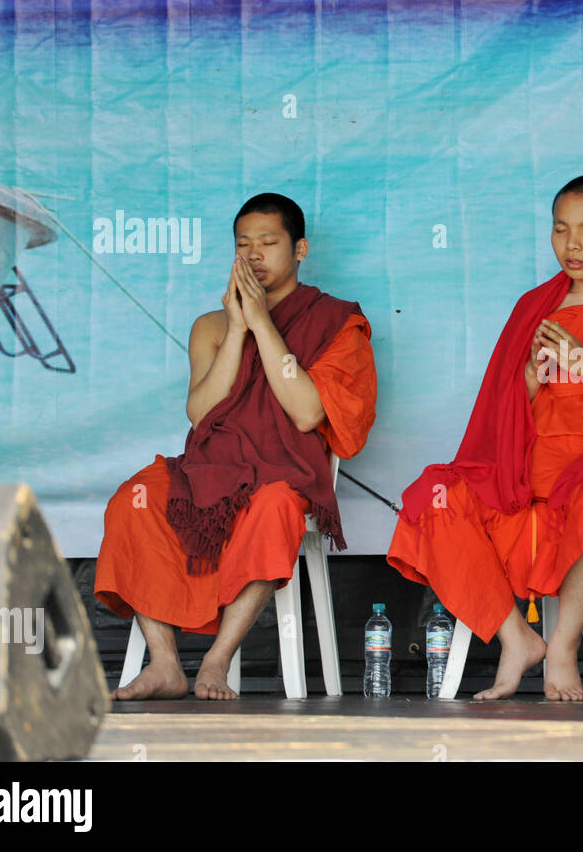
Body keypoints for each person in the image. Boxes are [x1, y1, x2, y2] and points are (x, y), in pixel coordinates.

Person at [388, 174, 583, 701]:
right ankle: (516, 637)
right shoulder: (535, 306)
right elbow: (499, 412)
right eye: (560, 231)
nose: (572, 245)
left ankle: (562, 646)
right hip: (529, 468)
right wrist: (533, 374)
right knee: (434, 496)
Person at [95, 193, 377, 700]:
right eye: (243, 244)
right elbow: (202, 412)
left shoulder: (335, 321)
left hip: (282, 474)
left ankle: (216, 661)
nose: (254, 255)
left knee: (272, 509)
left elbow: (308, 412)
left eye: (268, 243)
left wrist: (264, 326)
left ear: (300, 250)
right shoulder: (211, 325)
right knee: (132, 500)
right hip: (209, 467)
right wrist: (237, 330)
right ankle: (164, 663)